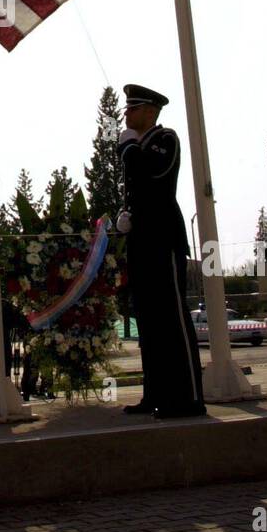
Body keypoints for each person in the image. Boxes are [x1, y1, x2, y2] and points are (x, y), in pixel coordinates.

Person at [117, 83, 206, 419]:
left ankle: (188, 398)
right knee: (150, 323)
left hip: (163, 238)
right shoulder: (139, 144)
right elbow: (137, 190)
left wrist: (127, 148)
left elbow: (153, 176)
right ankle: (155, 394)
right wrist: (127, 217)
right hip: (141, 238)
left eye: (133, 108)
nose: (127, 114)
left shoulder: (164, 139)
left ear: (151, 111)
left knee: (171, 317)